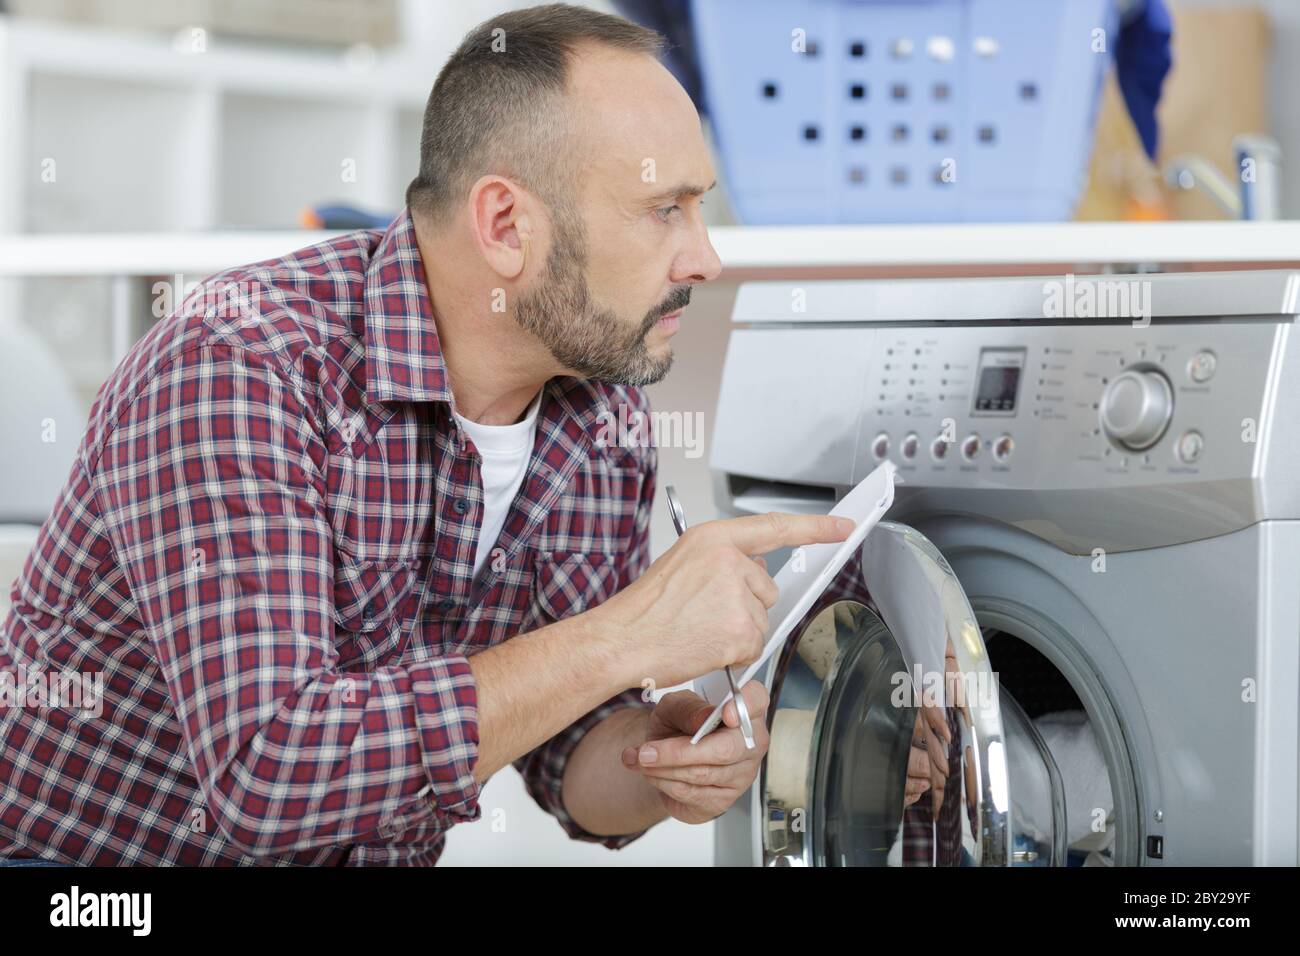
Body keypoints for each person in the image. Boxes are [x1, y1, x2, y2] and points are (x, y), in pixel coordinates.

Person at [0, 3, 858, 865]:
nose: (705, 258)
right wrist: (630, 633)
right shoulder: (239, 366)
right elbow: (270, 771)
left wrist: (662, 761)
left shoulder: (604, 417)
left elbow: (565, 752)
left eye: (699, 206)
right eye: (662, 210)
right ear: (504, 225)